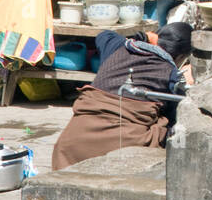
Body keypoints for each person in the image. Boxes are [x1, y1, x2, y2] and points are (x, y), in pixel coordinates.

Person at [52, 22, 194, 170]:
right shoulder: (170, 72)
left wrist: (144, 37)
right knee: (172, 128)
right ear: (182, 57)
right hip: (124, 148)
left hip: (72, 145)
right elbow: (176, 116)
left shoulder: (118, 48)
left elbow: (104, 34)